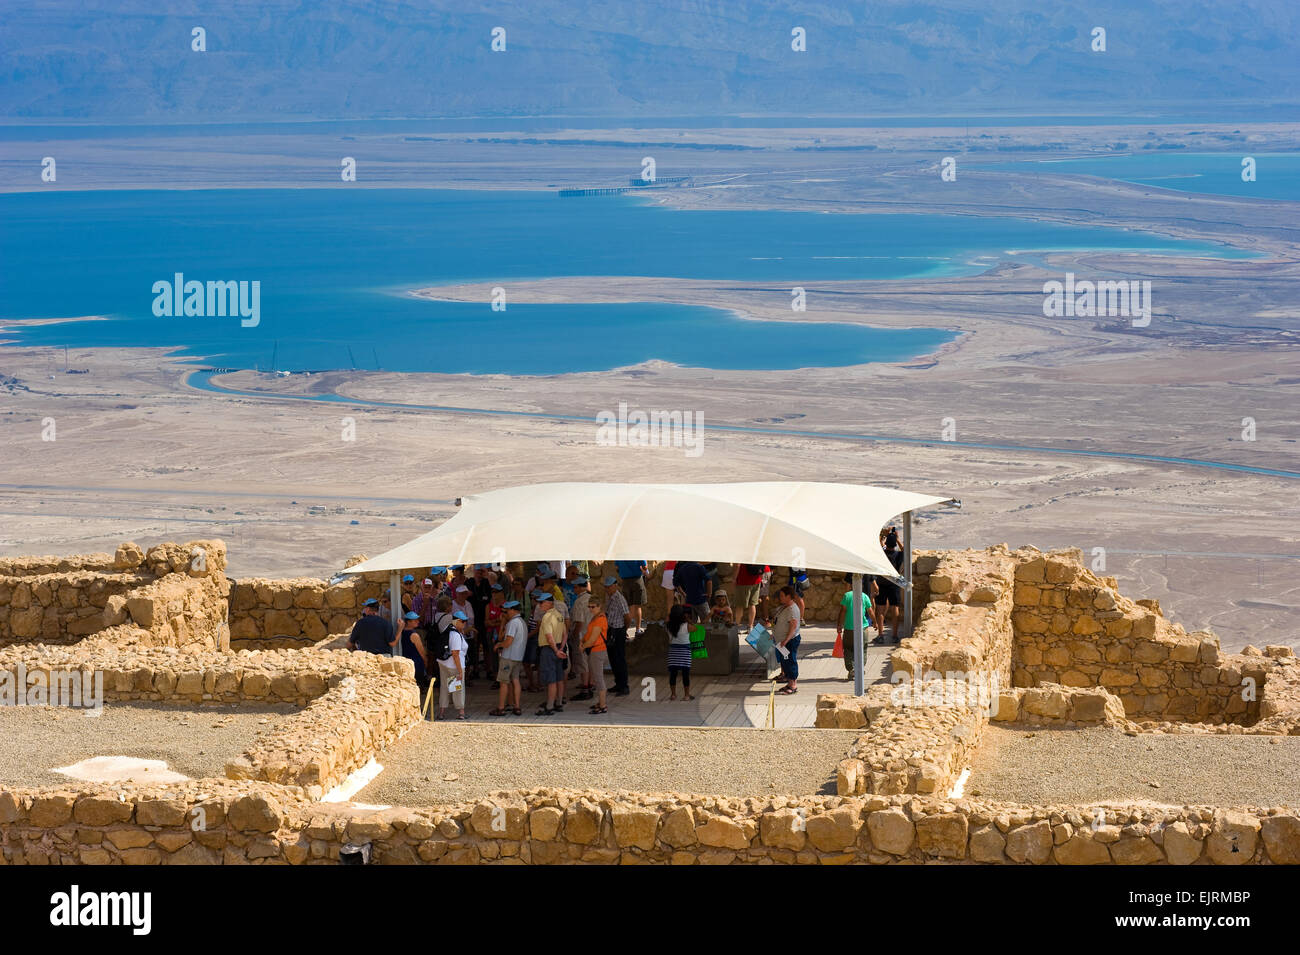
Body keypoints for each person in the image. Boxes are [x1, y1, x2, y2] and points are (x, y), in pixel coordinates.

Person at [489, 600, 526, 716]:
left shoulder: (513, 623)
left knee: (503, 682)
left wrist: (499, 645)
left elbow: (508, 642)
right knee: (516, 681)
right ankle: (517, 706)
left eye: (506, 610)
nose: (505, 613)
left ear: (513, 610)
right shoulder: (522, 622)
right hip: (518, 657)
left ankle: (501, 708)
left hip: (508, 657)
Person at [534, 591, 568, 716]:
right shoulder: (559, 615)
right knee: (559, 678)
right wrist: (561, 648)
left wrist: (555, 651)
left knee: (551, 679)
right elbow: (565, 634)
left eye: (541, 602)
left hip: (550, 649)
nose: (539, 605)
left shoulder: (547, 617)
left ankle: (549, 706)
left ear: (549, 603)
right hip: (559, 647)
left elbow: (549, 637)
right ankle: (558, 703)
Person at [836, 580, 873, 678]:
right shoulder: (864, 596)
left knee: (848, 649)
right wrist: (875, 622)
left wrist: (839, 624)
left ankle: (851, 669)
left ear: (852, 585)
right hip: (863, 628)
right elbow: (870, 611)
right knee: (863, 648)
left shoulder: (847, 596)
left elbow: (842, 611)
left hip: (849, 628)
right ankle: (859, 668)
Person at [437, 610, 469, 720]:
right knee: (457, 689)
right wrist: (460, 671)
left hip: (443, 663)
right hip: (454, 665)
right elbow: (455, 654)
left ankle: (441, 712)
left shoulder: (448, 630)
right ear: (458, 621)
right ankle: (461, 712)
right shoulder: (455, 635)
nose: (465, 624)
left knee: (445, 688)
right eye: (464, 622)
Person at [770, 585, 802, 695]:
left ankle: (793, 685)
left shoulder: (792, 609)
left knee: (790, 661)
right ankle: (789, 682)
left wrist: (786, 640)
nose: (780, 598)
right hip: (782, 641)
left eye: (782, 596)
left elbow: (793, 626)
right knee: (785, 662)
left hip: (788, 641)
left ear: (789, 596)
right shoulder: (785, 607)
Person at [398, 611, 431, 716]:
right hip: (416, 663)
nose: (417, 621)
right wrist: (426, 660)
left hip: (406, 662)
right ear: (408, 622)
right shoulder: (414, 635)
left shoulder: (401, 632)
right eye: (415, 620)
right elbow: (421, 650)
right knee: (418, 687)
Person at [603, 576, 631, 696]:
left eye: (609, 587)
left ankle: (624, 686)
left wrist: (624, 630)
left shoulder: (620, 599)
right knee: (613, 658)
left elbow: (627, 617)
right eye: (606, 587)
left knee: (620, 658)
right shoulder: (609, 598)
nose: (607, 589)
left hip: (618, 630)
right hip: (610, 629)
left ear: (615, 586)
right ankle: (618, 683)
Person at [581, 597, 610, 715]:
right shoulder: (596, 617)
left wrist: (583, 646)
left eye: (593, 607)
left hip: (598, 651)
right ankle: (600, 702)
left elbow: (593, 639)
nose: (590, 609)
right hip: (595, 651)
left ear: (599, 606)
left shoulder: (600, 619)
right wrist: (583, 641)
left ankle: (603, 705)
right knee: (597, 678)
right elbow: (589, 634)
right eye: (589, 606)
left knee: (599, 679)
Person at [567, 576, 593, 700]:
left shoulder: (579, 602)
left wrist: (573, 635)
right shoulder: (592, 598)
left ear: (580, 587)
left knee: (583, 663)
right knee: (589, 661)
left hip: (582, 636)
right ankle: (591, 683)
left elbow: (579, 622)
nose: (574, 589)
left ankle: (585, 688)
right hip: (592, 635)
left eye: (575, 587)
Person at [666, 603, 695, 702]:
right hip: (684, 652)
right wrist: (688, 619)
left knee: (673, 674)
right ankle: (686, 695)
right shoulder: (686, 626)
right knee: (685, 674)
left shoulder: (668, 626)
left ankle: (673, 694)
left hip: (673, 652)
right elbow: (695, 628)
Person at [615, 558, 648, 636]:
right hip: (637, 580)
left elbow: (617, 567)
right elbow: (645, 567)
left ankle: (624, 631)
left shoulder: (620, 554)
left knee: (628, 607)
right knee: (637, 607)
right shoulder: (637, 552)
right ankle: (637, 629)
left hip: (625, 582)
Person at [732, 562, 765, 633]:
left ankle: (737, 626)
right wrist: (761, 578)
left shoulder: (741, 552)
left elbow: (737, 565)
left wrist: (734, 579)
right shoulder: (756, 551)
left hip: (743, 581)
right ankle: (750, 627)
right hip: (756, 581)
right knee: (752, 604)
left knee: (739, 605)